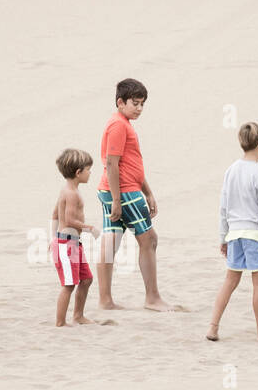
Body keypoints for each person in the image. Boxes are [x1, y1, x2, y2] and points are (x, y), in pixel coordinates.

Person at [95, 78, 174, 311]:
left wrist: (148, 191)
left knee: (111, 242)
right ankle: (152, 298)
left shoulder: (122, 122)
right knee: (149, 239)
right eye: (135, 104)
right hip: (124, 192)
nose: (139, 109)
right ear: (121, 102)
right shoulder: (119, 125)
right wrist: (118, 200)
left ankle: (105, 300)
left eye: (142, 104)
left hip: (118, 189)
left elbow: (131, 164)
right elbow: (111, 164)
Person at [206, 122, 258, 341]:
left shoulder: (231, 171)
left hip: (235, 235)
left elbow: (223, 207)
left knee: (230, 281)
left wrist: (223, 238)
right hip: (256, 237)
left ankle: (213, 327)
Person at [50, 148, 100, 326]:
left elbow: (55, 215)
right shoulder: (71, 194)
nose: (90, 173)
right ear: (78, 173)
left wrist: (52, 237)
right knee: (69, 284)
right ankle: (60, 322)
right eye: (88, 169)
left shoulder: (66, 191)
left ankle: (78, 315)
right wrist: (89, 228)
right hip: (66, 244)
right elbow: (70, 219)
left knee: (86, 279)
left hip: (72, 244)